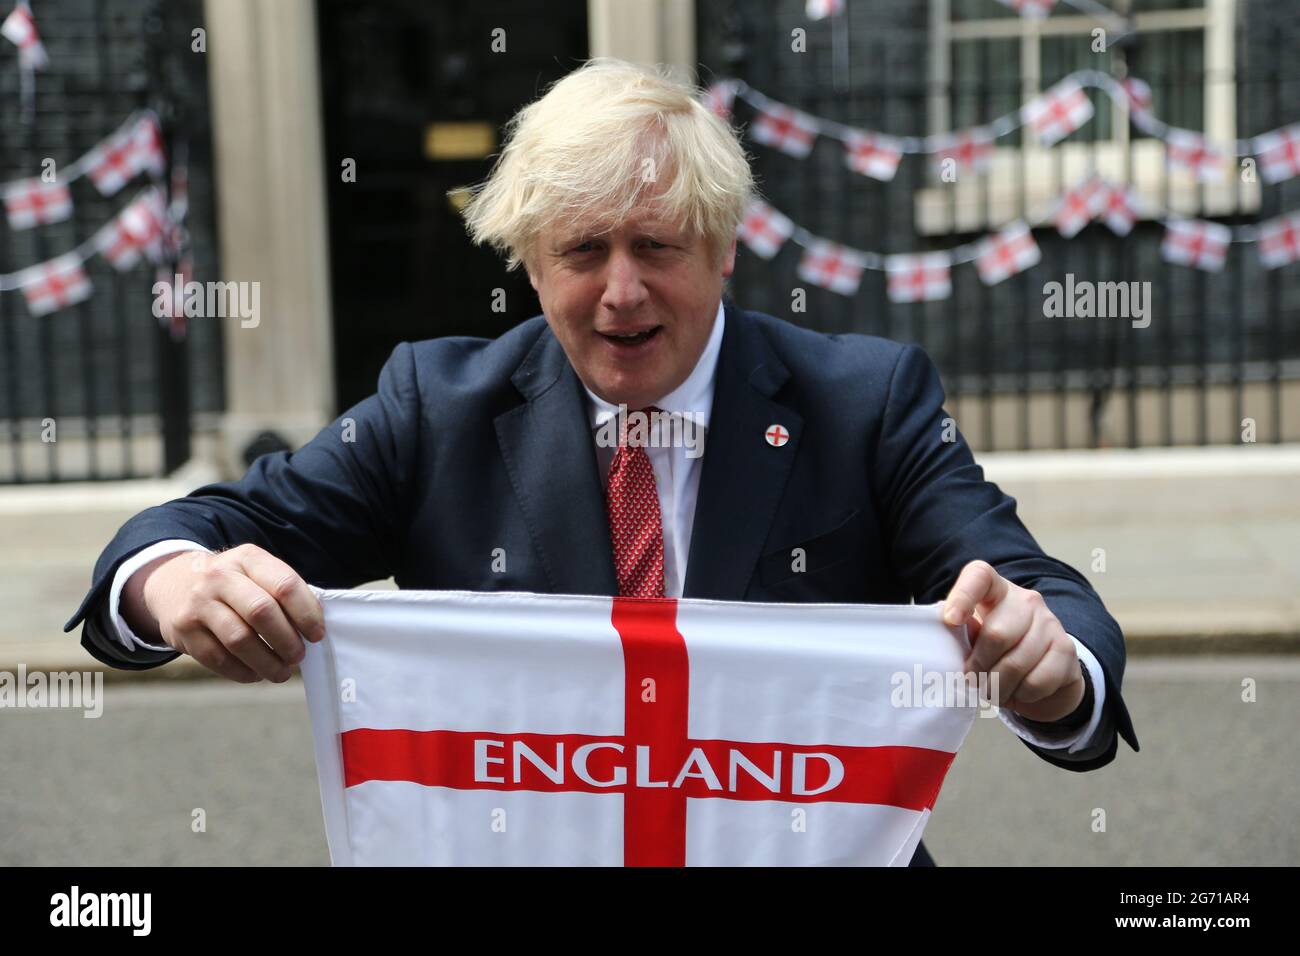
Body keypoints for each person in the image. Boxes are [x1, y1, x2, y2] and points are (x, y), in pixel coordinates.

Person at [65, 58, 1138, 866]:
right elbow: (167, 541)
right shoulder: (432, 407)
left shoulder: (866, 400)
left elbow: (1048, 598)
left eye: (657, 246)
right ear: (529, 264)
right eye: (581, 251)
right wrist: (179, 585)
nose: (620, 291)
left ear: (722, 246)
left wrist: (1047, 671)